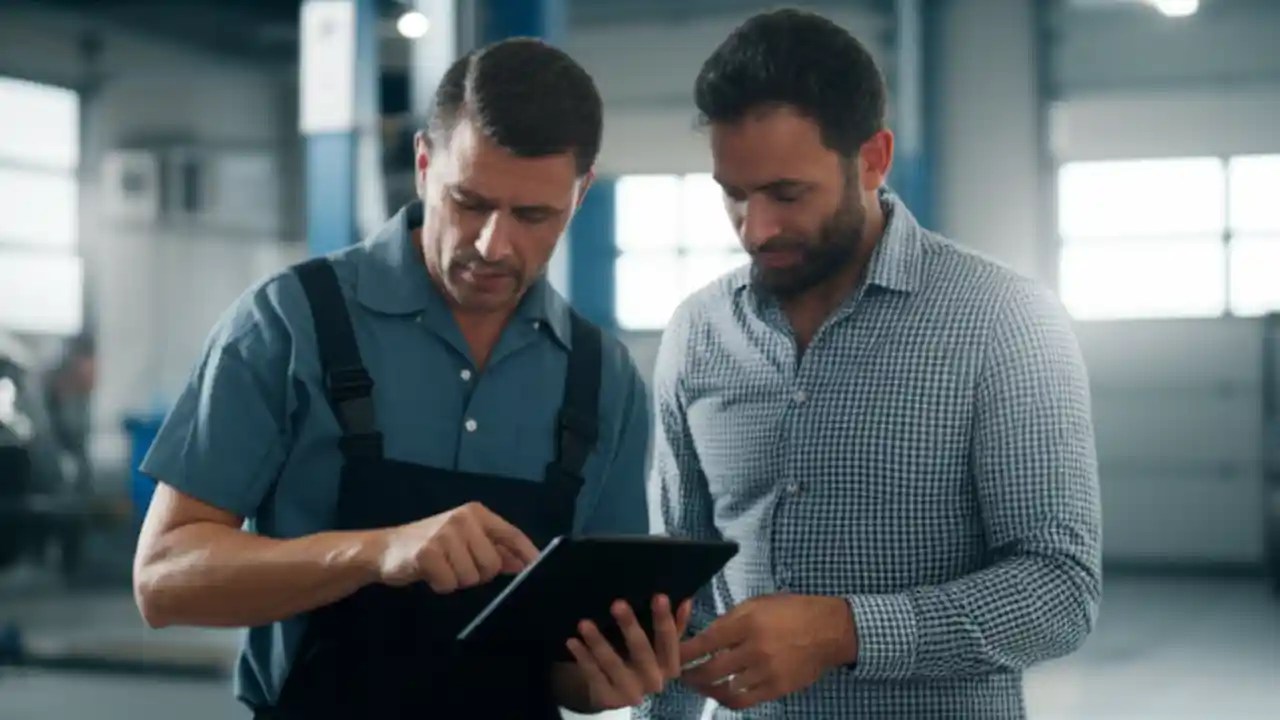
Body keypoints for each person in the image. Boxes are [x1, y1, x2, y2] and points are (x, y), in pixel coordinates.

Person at [132, 38, 690, 719]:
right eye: (470, 202)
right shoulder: (289, 323)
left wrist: (607, 680)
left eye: (533, 215)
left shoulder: (603, 379)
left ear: (581, 195)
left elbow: (576, 664)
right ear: (425, 164)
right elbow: (162, 581)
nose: (493, 244)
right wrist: (377, 552)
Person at [640, 9, 1101, 719]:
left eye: (788, 195)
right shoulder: (697, 333)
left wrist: (843, 631)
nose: (756, 229)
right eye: (734, 194)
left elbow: (1060, 591)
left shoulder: (1003, 319)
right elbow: (682, 601)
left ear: (873, 159)